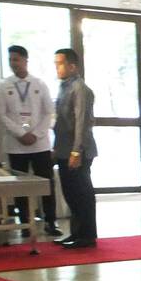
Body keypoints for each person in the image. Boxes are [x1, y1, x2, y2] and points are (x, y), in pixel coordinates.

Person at [0, 44, 61, 236]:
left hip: (40, 144)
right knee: (20, 186)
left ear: (25, 60)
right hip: (16, 145)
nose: (13, 63)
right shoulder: (3, 86)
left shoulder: (39, 84)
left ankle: (50, 221)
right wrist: (20, 133)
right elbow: (1, 115)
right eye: (10, 60)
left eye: (16, 59)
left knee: (46, 183)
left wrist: (36, 134)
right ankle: (25, 223)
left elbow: (49, 112)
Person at [50, 48, 97, 249]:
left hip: (78, 151)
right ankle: (76, 233)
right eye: (55, 64)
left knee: (82, 193)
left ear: (72, 66)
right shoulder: (64, 87)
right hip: (64, 149)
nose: (57, 68)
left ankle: (87, 235)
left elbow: (82, 122)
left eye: (60, 64)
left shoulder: (80, 89)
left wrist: (76, 151)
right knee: (70, 193)